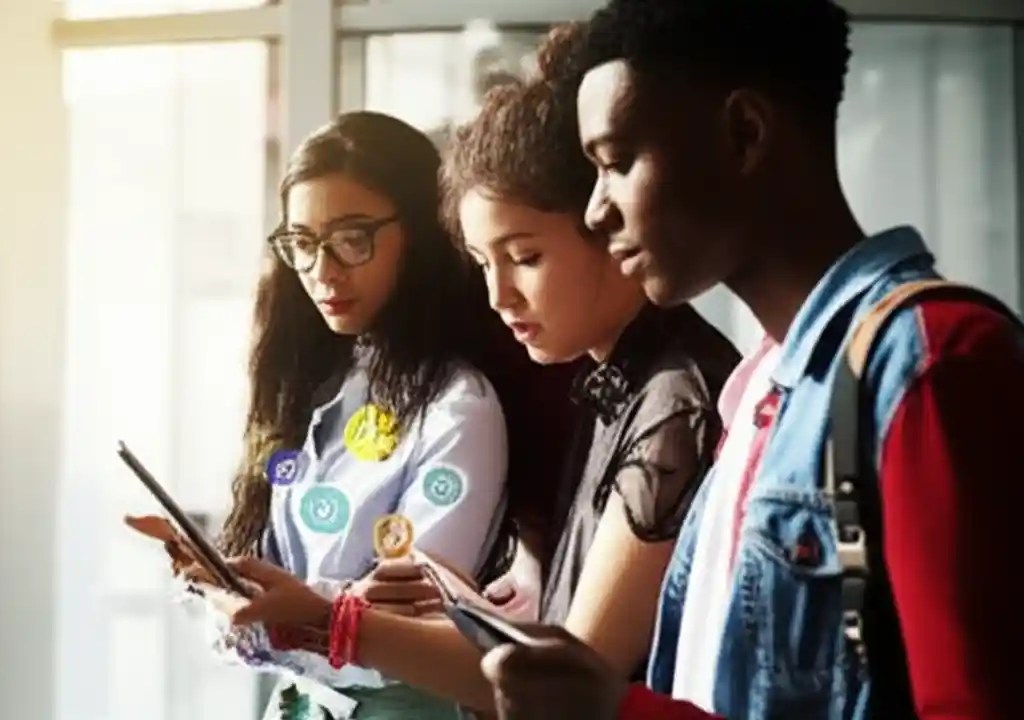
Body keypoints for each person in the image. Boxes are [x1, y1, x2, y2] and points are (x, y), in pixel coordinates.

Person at [482, 2, 1024, 718]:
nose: (595, 210)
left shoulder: (932, 361)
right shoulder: (757, 393)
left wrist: (618, 711)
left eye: (615, 163)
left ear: (744, 134)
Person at [213, 77, 739, 714]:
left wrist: (333, 620)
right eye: (483, 263)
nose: (499, 296)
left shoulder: (667, 401)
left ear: (604, 222)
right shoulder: (607, 381)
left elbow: (570, 685)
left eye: (524, 256)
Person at [127, 110, 571, 719]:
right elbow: (276, 625)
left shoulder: (458, 406)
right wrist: (223, 582)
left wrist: (296, 607)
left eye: (352, 238)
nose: (323, 271)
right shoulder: (313, 389)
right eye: (303, 244)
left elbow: (408, 626)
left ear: (418, 232)